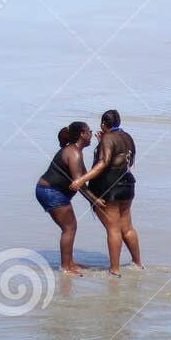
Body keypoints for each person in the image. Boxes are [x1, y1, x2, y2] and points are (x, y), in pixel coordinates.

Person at [69, 110, 141, 276]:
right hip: (127, 186)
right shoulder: (126, 136)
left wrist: (81, 180)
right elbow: (124, 160)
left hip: (110, 189)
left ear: (103, 124)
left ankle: (114, 270)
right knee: (127, 228)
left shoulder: (108, 138)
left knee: (113, 229)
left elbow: (103, 163)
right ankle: (137, 263)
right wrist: (102, 143)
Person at [37, 121, 91, 275]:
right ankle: (65, 267)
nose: (91, 134)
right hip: (50, 191)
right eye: (89, 131)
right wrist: (95, 201)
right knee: (69, 227)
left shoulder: (76, 152)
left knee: (70, 227)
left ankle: (69, 263)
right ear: (82, 134)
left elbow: (85, 178)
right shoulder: (73, 153)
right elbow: (78, 184)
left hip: (49, 190)